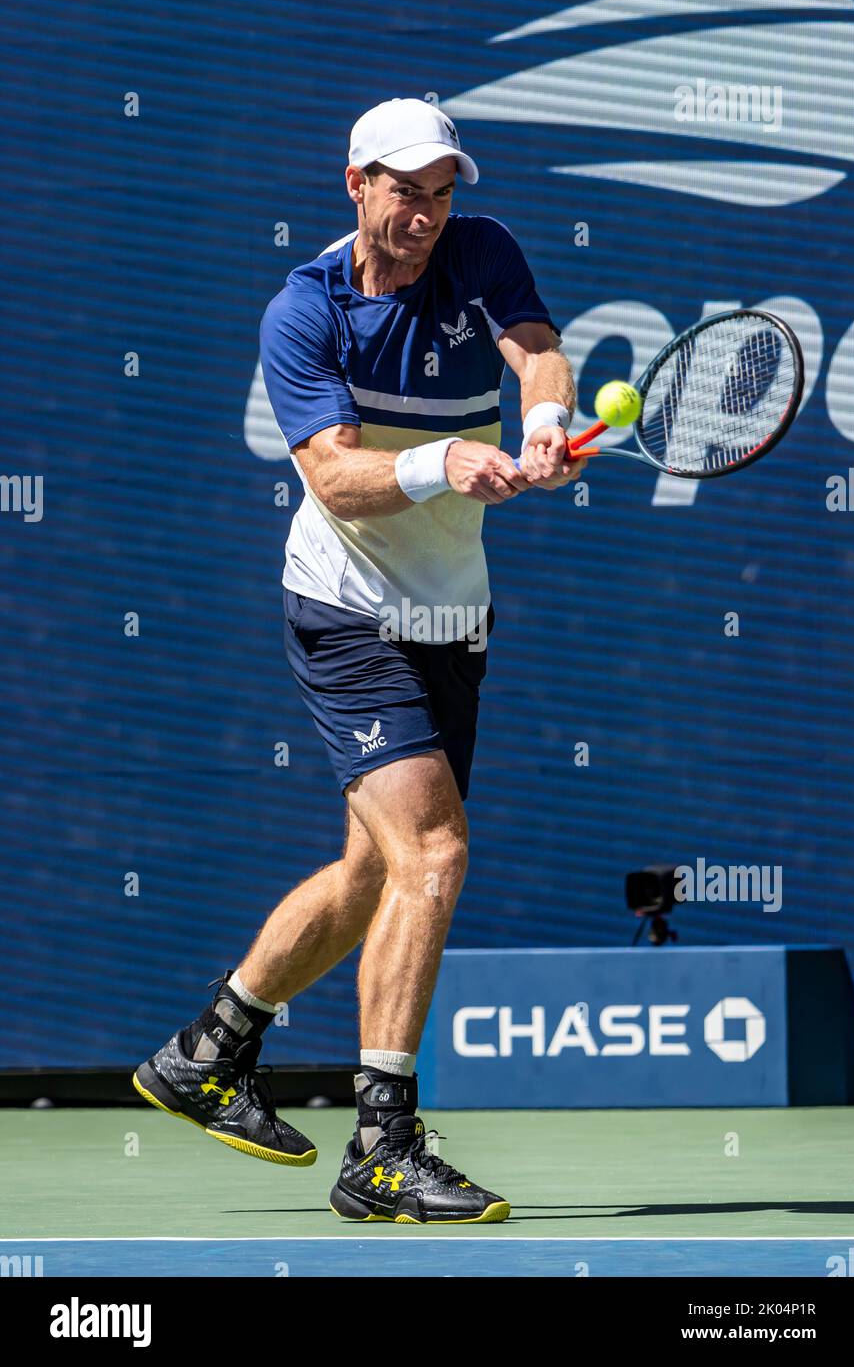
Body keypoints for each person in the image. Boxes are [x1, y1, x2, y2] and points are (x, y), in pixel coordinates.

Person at [133, 97, 586, 1224]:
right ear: (355, 184)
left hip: (450, 614)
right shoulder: (305, 310)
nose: (426, 215)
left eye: (441, 192)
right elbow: (335, 477)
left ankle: (210, 1047)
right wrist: (446, 460)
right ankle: (380, 1146)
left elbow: (533, 351)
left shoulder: (480, 252)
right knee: (434, 852)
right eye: (405, 192)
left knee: (375, 871)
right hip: (343, 611)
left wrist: (541, 423)